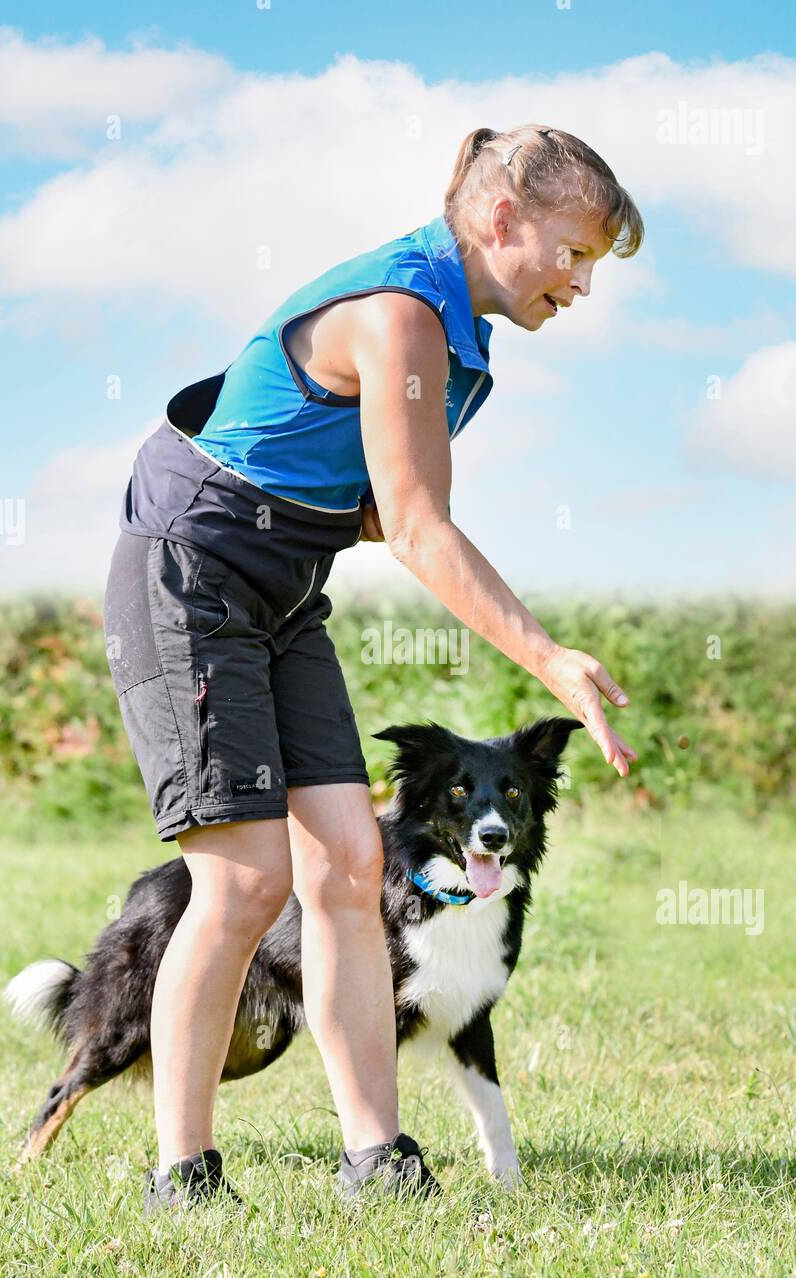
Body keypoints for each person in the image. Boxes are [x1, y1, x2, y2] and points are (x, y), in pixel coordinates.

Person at [102, 123, 644, 1210]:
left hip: (284, 583)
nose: (584, 284)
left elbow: (368, 512)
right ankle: (183, 1175)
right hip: (195, 561)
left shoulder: (456, 338)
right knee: (248, 878)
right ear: (504, 221)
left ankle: (375, 1158)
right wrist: (546, 657)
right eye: (576, 252)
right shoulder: (402, 313)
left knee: (352, 865)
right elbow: (417, 525)